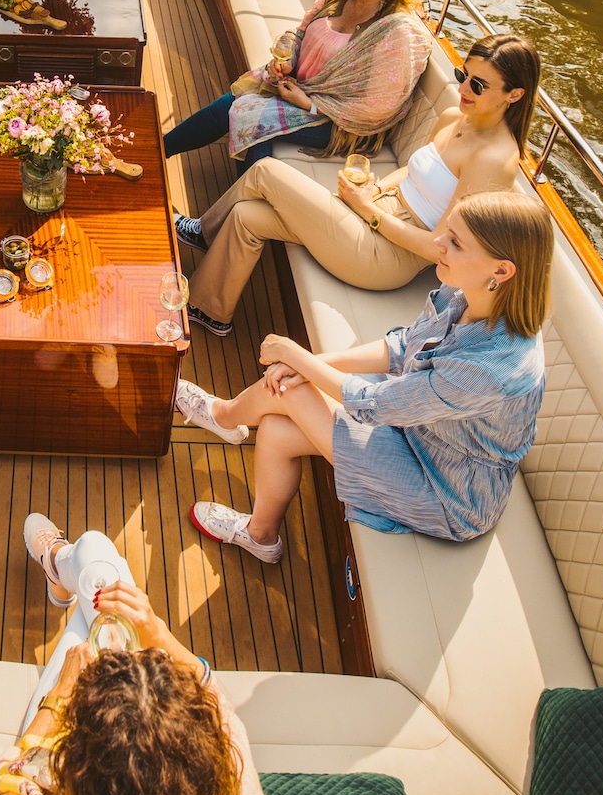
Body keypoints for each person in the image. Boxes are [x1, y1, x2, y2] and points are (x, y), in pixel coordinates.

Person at [179, 189, 554, 562]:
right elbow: (403, 345)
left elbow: (376, 406)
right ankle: (260, 535)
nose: (437, 242)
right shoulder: (465, 292)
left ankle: (224, 416)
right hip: (418, 428)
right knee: (278, 426)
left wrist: (298, 357)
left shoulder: (491, 367)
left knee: (291, 393)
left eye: (454, 242)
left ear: (500, 271)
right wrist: (315, 360)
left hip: (446, 488)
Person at [0, 515, 269, 795]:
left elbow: (0, 793)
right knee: (102, 576)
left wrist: (59, 699)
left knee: (95, 554)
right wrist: (158, 635)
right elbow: (211, 693)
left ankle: (60, 564)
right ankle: (64, 568)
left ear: (74, 769)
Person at [177, 33, 540, 337]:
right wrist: (375, 189)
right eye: (463, 75)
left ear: (514, 94)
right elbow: (413, 172)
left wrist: (368, 210)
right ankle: (209, 311)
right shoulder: (452, 117)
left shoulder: (495, 160)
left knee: (265, 172)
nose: (463, 88)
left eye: (478, 84)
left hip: (388, 257)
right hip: (374, 214)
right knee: (246, 215)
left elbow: (440, 249)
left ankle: (202, 233)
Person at [165, 0, 431, 172]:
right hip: (295, 85)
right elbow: (299, 33)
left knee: (252, 122)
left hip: (337, 122)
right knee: (227, 107)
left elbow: (377, 107)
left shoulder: (393, 32)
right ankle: (159, 150)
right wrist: (287, 59)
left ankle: (222, 215)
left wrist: (310, 104)